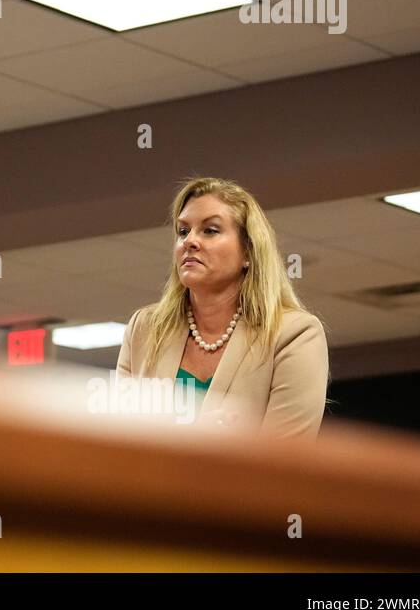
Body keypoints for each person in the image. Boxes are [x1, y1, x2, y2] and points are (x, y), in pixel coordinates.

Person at [116, 176, 330, 439]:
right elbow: (121, 447)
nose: (189, 241)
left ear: (249, 253)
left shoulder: (295, 334)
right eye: (183, 231)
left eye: (210, 230)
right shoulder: (144, 329)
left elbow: (282, 460)